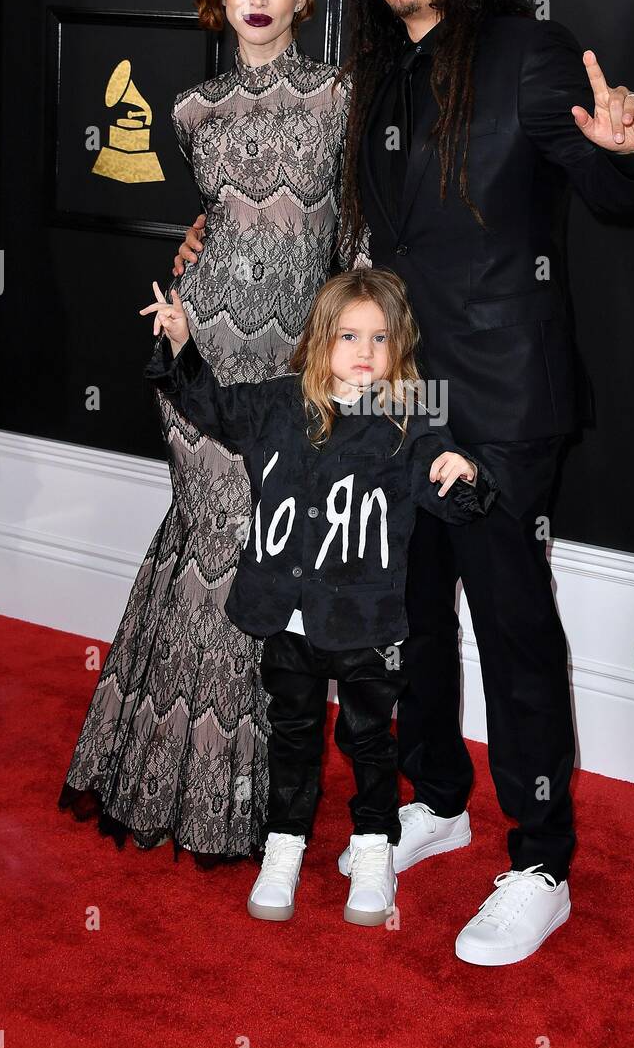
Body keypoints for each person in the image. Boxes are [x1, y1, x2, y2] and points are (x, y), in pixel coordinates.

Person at [175, 0, 634, 964]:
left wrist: (632, 155)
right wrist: (208, 234)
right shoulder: (376, 78)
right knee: (414, 617)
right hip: (397, 407)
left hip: (500, 407)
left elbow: (617, 194)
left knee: (512, 628)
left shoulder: (527, 58)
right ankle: (437, 796)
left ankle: (541, 859)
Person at [58, 0, 363, 866]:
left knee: (256, 555)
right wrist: (191, 276)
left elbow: (349, 237)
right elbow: (220, 232)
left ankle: (245, 795)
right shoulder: (191, 112)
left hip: (288, 367)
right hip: (201, 350)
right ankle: (169, 776)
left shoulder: (341, 98)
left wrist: (350, 353)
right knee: (207, 539)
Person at [139, 267, 499, 925]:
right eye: (348, 336)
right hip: (287, 615)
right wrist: (183, 344)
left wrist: (464, 472)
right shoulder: (279, 404)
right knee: (293, 735)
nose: (364, 352)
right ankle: (286, 843)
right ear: (317, 341)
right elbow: (213, 405)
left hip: (367, 621)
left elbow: (450, 489)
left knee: (369, 741)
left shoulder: (408, 427)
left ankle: (372, 847)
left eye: (380, 338)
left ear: (400, 349)